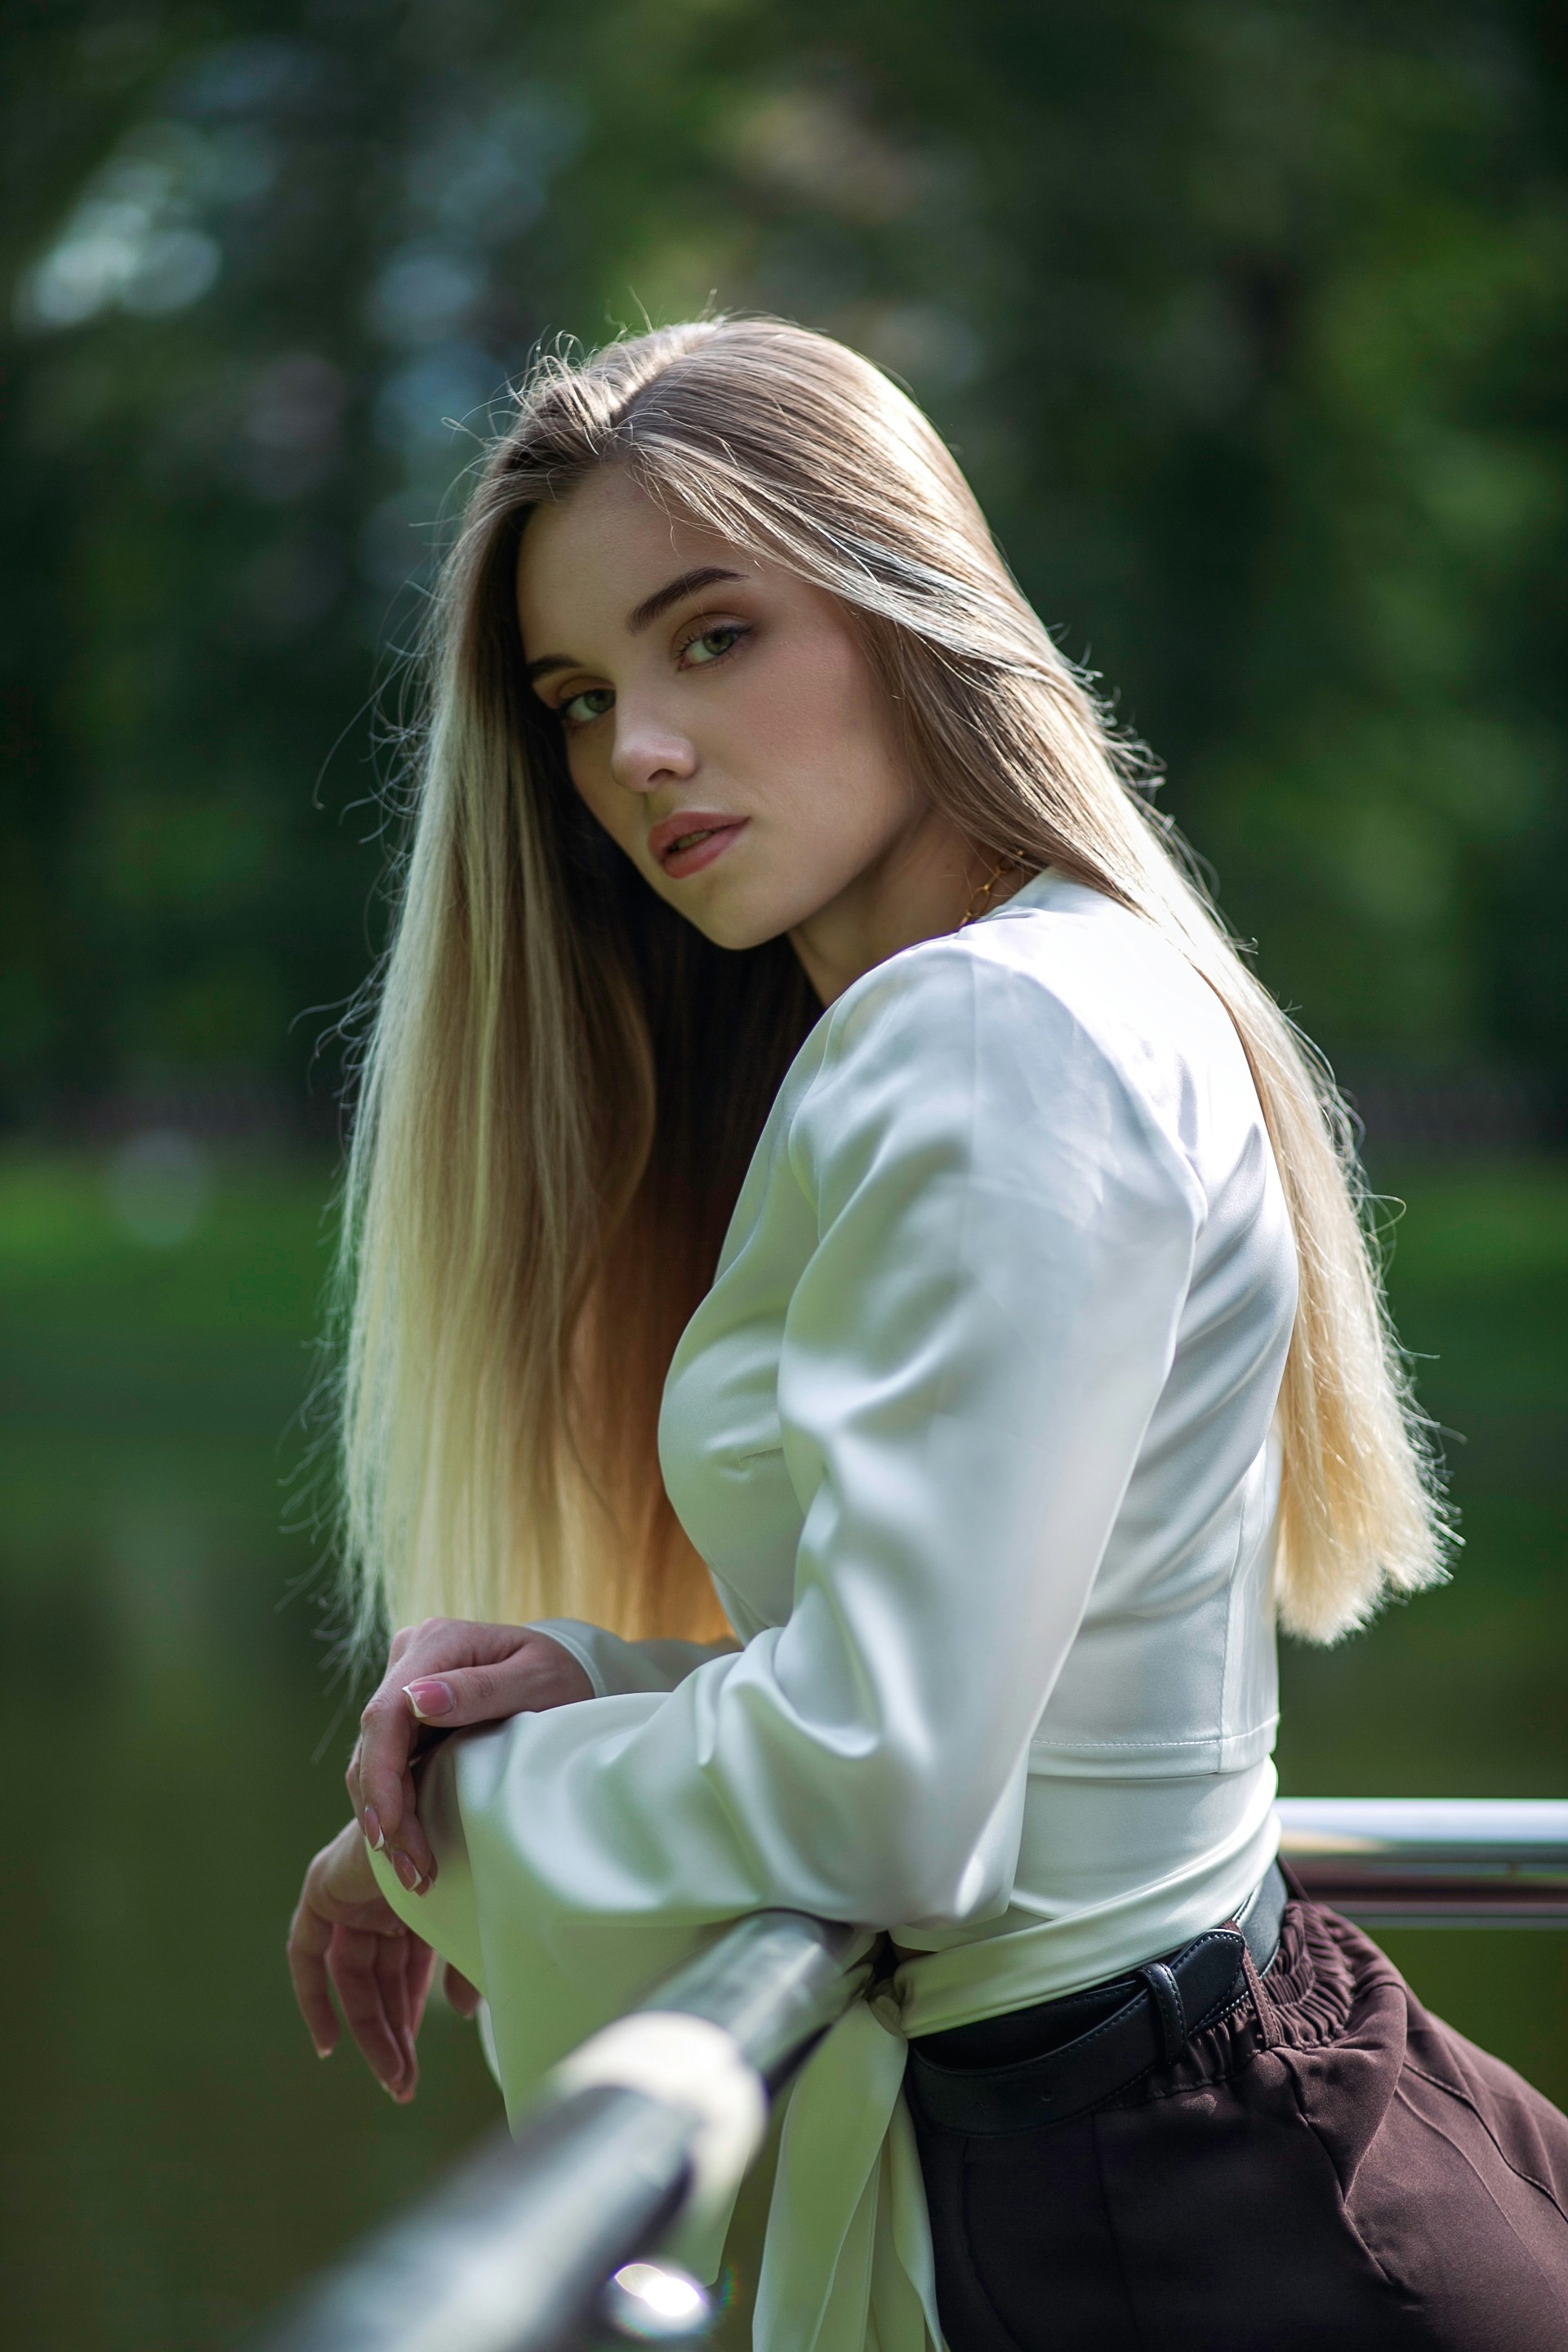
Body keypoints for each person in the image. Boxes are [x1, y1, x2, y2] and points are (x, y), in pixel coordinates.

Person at [286, 319, 1568, 2350]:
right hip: (1229, 2137)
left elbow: (894, 1790)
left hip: (1169, 2233)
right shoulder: (1054, 995)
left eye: (712, 637)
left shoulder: (984, 1033)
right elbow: (992, 1702)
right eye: (579, 696)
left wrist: (463, 1830)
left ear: (906, 606)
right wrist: (613, 1677)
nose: (635, 751)